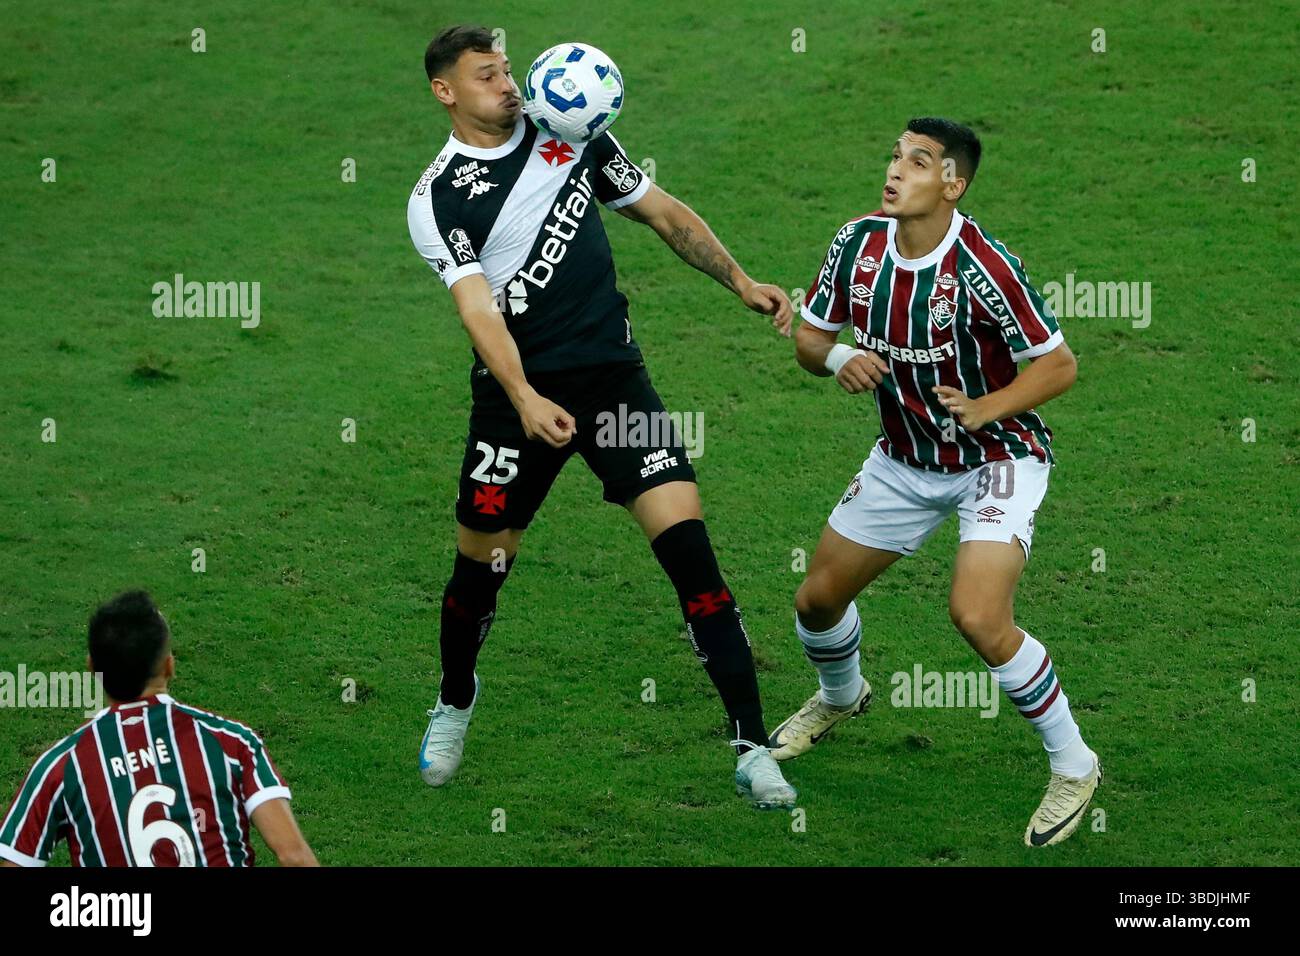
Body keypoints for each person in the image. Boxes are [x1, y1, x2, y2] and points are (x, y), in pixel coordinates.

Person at [407, 25, 797, 807]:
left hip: (616, 389)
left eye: (509, 70)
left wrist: (741, 281)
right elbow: (479, 311)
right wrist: (525, 399)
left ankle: (753, 746)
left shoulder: (570, 131)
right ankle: (454, 699)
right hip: (515, 402)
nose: (508, 86)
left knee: (692, 555)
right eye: (487, 76)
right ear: (446, 92)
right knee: (480, 571)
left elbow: (664, 212)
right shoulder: (439, 198)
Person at [772, 117, 1100, 846]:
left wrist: (987, 406)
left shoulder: (984, 267)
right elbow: (811, 337)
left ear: (952, 184)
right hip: (903, 460)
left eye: (917, 162)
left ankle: (1074, 765)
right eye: (894, 156)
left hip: (998, 459)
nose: (895, 171)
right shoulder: (857, 244)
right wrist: (834, 362)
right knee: (816, 601)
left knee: (978, 616)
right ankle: (840, 697)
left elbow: (1059, 364)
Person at [0, 590, 317, 866]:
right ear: (169, 665)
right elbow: (292, 856)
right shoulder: (232, 743)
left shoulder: (61, 766)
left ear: (92, 670)